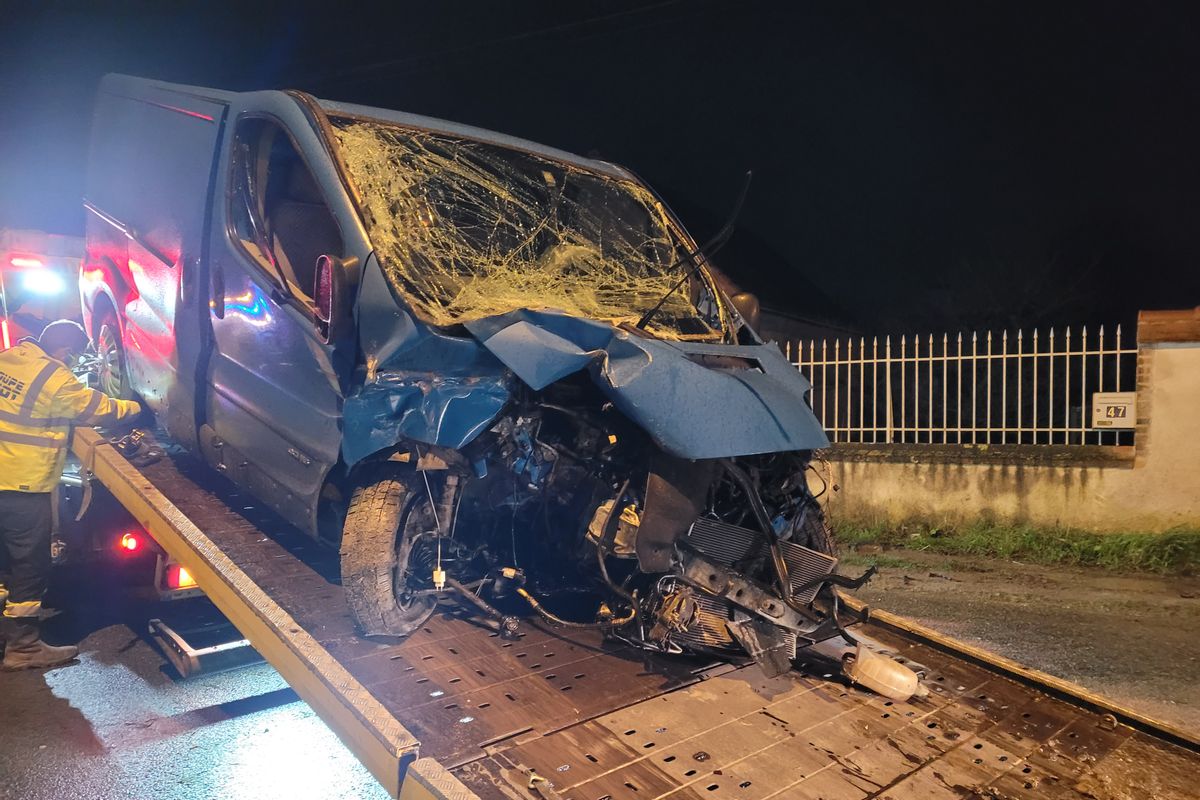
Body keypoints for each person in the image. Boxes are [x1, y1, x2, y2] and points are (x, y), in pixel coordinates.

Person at [0, 320, 141, 670]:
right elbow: (96, 407)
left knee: (3, 564)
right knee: (28, 567)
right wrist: (137, 408)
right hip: (20, 487)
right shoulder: (54, 377)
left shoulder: (8, 359)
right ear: (65, 351)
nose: (76, 367)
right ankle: (24, 648)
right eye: (76, 360)